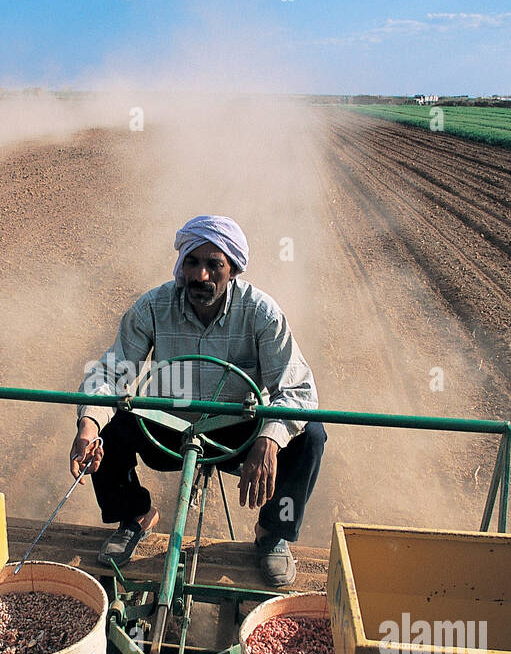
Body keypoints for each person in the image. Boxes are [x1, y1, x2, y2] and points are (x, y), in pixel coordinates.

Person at [71, 215, 325, 587]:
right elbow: (109, 375)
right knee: (113, 422)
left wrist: (268, 441)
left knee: (311, 436)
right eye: (192, 262)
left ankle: (273, 531)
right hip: (166, 432)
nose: (201, 276)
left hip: (236, 436)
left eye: (214, 265)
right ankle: (135, 514)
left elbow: (298, 390)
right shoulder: (153, 307)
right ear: (181, 264)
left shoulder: (261, 313)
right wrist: (88, 427)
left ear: (233, 269)